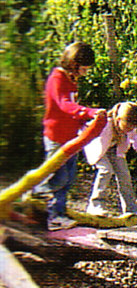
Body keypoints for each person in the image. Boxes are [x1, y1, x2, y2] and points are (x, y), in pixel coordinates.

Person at [38, 42, 106, 230]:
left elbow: (71, 112)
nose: (86, 71)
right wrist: (89, 112)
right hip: (56, 137)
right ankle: (40, 198)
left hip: (71, 138)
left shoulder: (71, 80)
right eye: (84, 67)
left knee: (68, 179)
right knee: (58, 177)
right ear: (74, 63)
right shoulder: (57, 79)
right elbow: (64, 105)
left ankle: (58, 214)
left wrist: (85, 121)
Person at [84, 101, 137, 217]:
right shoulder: (106, 124)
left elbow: (134, 137)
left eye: (132, 128)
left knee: (124, 176)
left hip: (115, 150)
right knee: (106, 171)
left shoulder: (129, 128)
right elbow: (88, 133)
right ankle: (95, 205)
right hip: (98, 149)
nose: (129, 130)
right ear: (118, 119)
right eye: (128, 127)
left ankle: (131, 209)